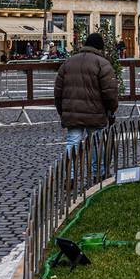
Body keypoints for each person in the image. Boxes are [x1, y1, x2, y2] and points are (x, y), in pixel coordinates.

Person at [53, 32, 119, 178]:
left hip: (72, 112)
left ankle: (69, 176)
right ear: (100, 47)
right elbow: (110, 92)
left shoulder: (68, 62)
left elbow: (58, 91)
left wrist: (62, 111)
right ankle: (98, 174)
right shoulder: (102, 63)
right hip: (95, 113)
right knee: (96, 144)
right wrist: (112, 109)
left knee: (72, 143)